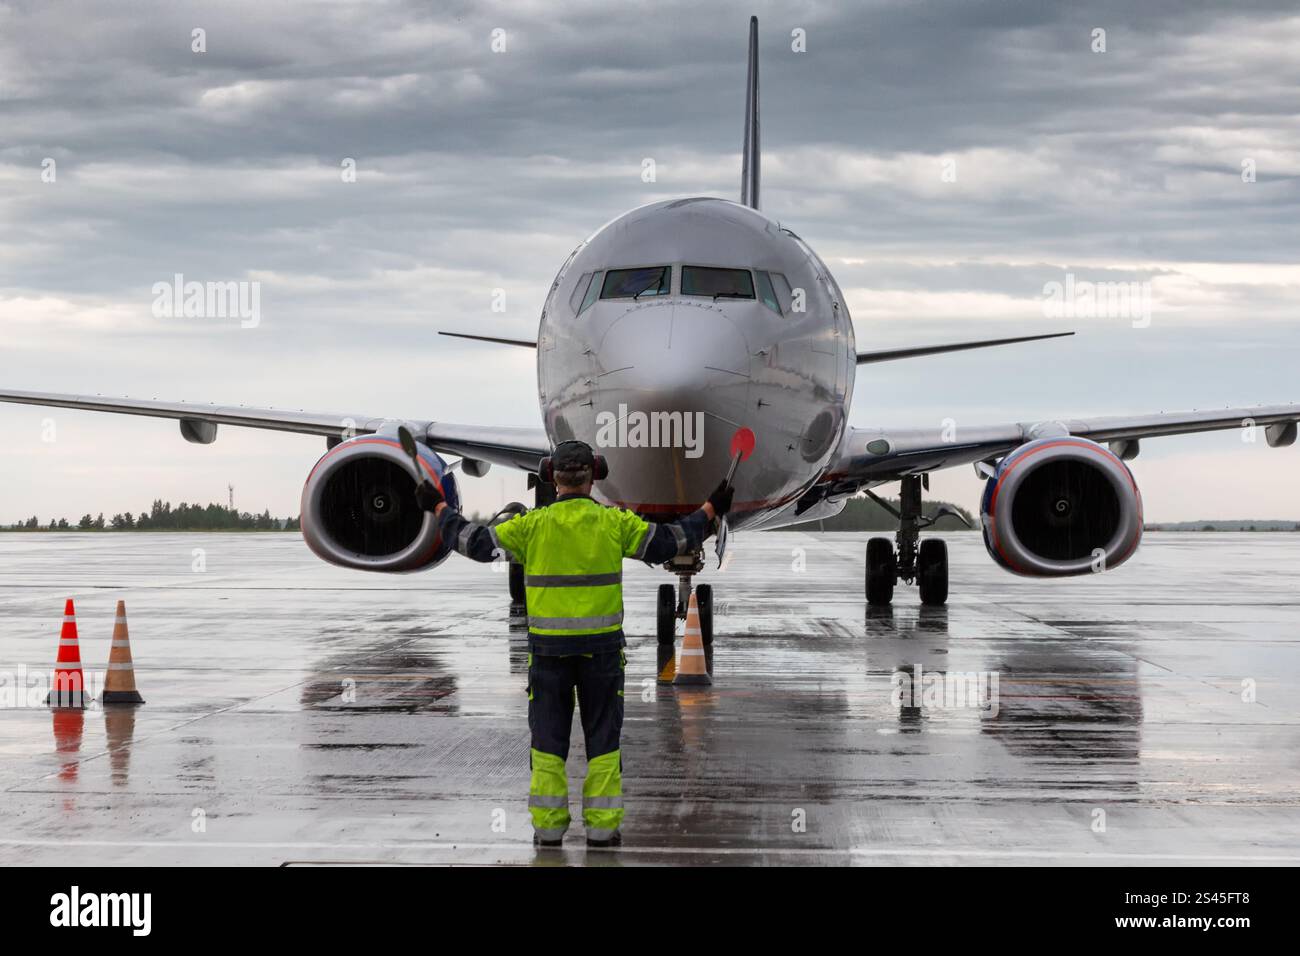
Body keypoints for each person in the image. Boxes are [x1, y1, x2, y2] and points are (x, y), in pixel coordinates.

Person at [413, 439, 733, 848]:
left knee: (547, 744)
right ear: (595, 474)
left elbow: (474, 543)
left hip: (548, 658)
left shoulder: (530, 527)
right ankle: (601, 829)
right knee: (602, 744)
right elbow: (670, 542)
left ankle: (548, 830)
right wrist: (711, 509)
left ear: (551, 476)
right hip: (601, 655)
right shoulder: (613, 524)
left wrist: (437, 507)